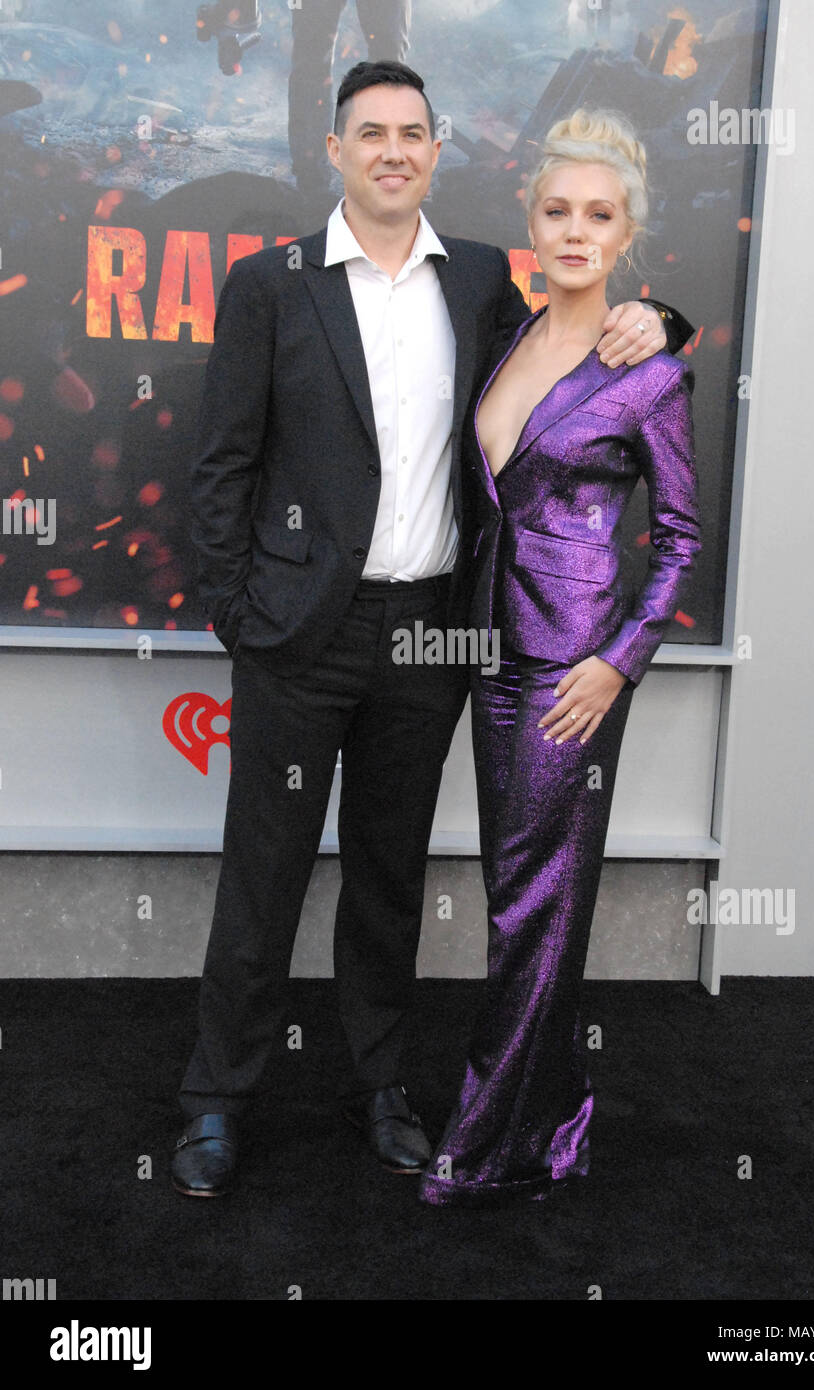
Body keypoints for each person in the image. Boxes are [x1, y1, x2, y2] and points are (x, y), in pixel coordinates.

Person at [171, 62, 692, 1198]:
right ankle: (216, 1100)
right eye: (372, 133)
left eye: (413, 132)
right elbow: (220, 465)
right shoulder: (271, 285)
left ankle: (379, 1089)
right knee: (262, 875)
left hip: (432, 638)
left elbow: (580, 336)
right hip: (296, 638)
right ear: (336, 150)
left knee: (389, 878)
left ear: (436, 151)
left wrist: (666, 319)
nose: (394, 151)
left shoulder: (481, 281)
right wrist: (241, 615)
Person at [418, 108, 700, 1207]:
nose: (576, 231)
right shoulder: (507, 337)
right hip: (489, 648)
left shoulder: (649, 370)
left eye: (600, 215)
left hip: (573, 666)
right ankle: (558, 1114)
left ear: (627, 234)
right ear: (529, 222)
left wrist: (620, 660)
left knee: (533, 902)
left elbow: (679, 539)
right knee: (522, 893)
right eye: (557, 210)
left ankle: (487, 1144)